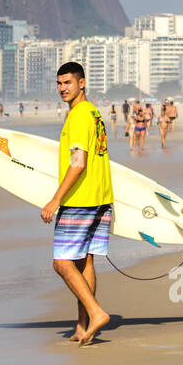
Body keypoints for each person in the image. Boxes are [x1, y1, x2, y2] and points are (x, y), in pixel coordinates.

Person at [40, 62, 114, 347]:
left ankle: (95, 313)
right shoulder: (93, 112)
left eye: (68, 83)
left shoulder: (80, 116)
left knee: (61, 263)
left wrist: (56, 199)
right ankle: (84, 324)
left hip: (80, 200)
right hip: (101, 196)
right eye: (59, 84)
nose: (62, 89)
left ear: (82, 83)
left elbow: (79, 162)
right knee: (85, 260)